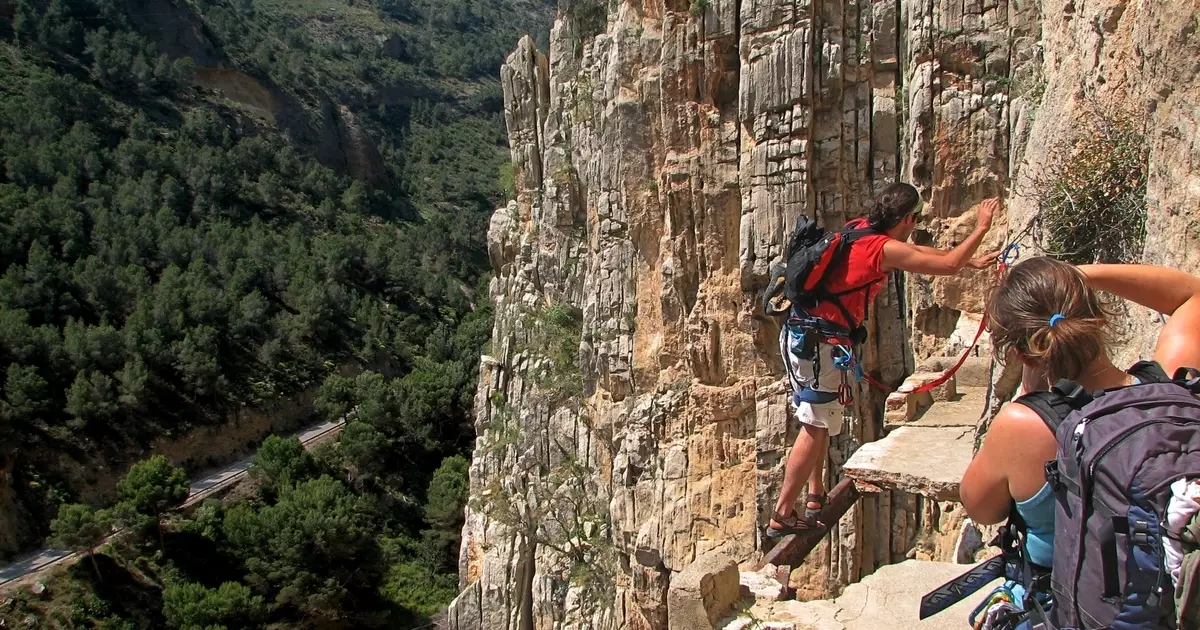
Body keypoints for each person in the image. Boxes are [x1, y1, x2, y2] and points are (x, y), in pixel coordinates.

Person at [768, 183, 1001, 537]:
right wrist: (981, 227)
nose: (914, 227)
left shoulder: (859, 228)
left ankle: (815, 495)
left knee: (815, 417)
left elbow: (919, 253)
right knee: (815, 427)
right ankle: (782, 514)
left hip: (800, 335)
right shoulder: (882, 249)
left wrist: (968, 259)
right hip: (820, 345)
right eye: (915, 220)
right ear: (907, 218)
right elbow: (945, 266)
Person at [960, 259, 1200, 562]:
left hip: (1071, 606)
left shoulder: (1020, 426)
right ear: (1098, 317)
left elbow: (981, 509)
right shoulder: (1173, 387)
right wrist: (1077, 275)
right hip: (1179, 595)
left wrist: (1031, 399)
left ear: (1025, 357)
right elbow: (1193, 296)